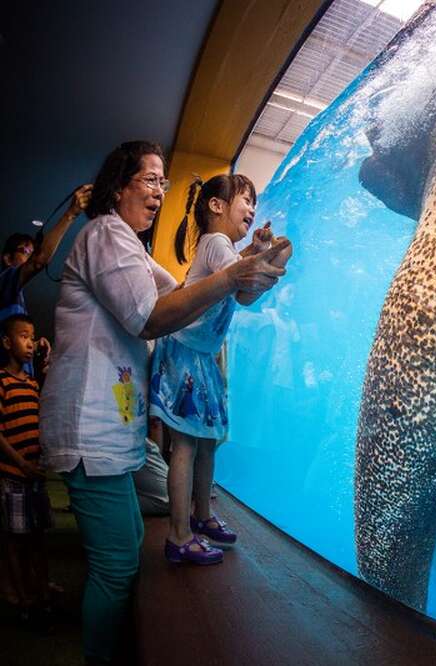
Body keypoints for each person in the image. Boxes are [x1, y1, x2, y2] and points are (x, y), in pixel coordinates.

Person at [39, 141, 289, 665]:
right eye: (151, 180)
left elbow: (185, 291)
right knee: (115, 565)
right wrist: (231, 275)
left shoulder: (129, 246)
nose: (159, 192)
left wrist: (245, 264)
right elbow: (150, 318)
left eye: (163, 183)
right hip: (89, 430)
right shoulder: (105, 233)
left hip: (112, 432)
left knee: (128, 539)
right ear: (119, 183)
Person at [149, 174, 291, 565]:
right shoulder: (215, 243)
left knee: (207, 441)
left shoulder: (224, 248)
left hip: (201, 356)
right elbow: (244, 288)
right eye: (245, 199)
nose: (251, 208)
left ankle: (202, 515)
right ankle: (179, 535)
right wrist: (268, 257)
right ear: (217, 206)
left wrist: (257, 248)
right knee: (187, 446)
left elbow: (240, 276)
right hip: (185, 354)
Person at [0, 314, 52, 624]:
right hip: (13, 477)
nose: (30, 343)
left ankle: (42, 593)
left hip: (36, 477)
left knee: (38, 539)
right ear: (7, 342)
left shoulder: (32, 384)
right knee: (16, 541)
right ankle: (23, 601)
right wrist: (19, 463)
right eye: (22, 336)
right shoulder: (2, 382)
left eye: (32, 337)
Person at [0, 184, 92, 321]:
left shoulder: (17, 298)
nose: (31, 255)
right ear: (7, 258)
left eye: (32, 252)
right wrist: (70, 214)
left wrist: (34, 342)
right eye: (25, 250)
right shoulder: (3, 281)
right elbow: (38, 261)